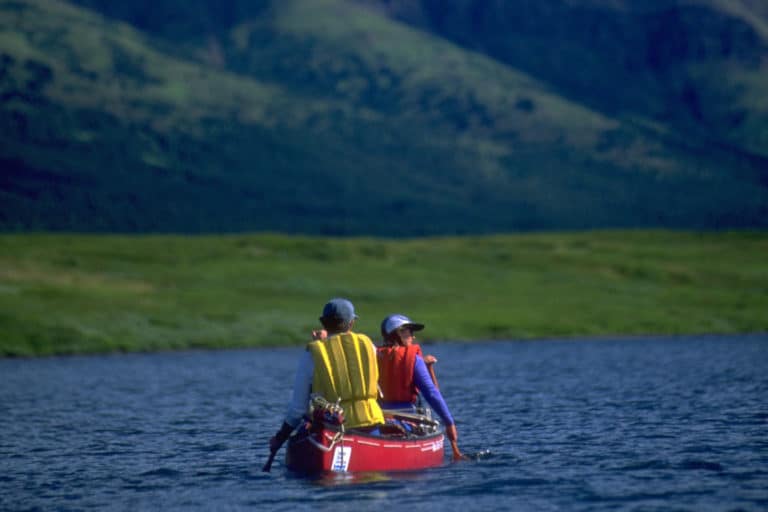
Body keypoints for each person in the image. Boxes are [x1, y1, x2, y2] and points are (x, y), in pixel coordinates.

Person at [268, 298, 385, 460]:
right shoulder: (369, 345)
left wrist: (279, 439)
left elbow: (298, 409)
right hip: (371, 427)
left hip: (332, 431)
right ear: (351, 323)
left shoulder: (312, 353)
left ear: (324, 324)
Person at [377, 313, 465, 461]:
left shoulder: (373, 357)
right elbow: (431, 393)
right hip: (408, 419)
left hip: (377, 418)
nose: (413, 337)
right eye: (410, 332)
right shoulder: (414, 360)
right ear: (398, 333)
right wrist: (449, 422)